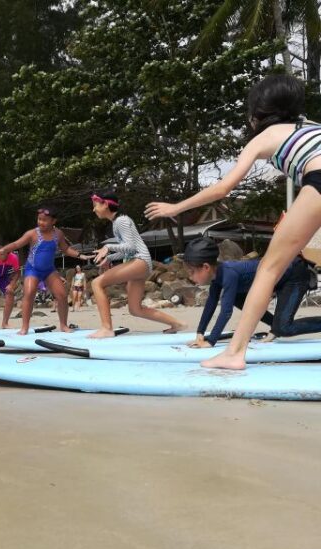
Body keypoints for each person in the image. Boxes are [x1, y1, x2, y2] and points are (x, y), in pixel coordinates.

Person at [145, 74, 321, 369]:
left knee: (269, 268)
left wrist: (176, 207)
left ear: (259, 113)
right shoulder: (311, 126)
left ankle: (234, 353)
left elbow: (222, 189)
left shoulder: (264, 136)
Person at [183, 237, 321, 348]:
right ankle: (276, 326)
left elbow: (226, 312)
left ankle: (277, 327)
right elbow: (210, 305)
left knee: (284, 328)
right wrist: (200, 333)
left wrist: (211, 341)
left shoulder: (229, 274)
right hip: (279, 278)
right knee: (237, 298)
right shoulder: (217, 277)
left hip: (295, 273)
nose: (190, 277)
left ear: (206, 267)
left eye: (192, 272)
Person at [90, 191, 186, 338]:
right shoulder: (118, 222)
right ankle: (177, 324)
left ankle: (106, 328)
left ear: (106, 204)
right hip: (140, 262)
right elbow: (127, 250)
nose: (94, 209)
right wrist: (110, 258)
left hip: (139, 261)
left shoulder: (121, 221)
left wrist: (108, 247)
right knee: (135, 309)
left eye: (95, 205)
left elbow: (131, 247)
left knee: (97, 284)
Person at [0, 205, 91, 335]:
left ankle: (63, 325)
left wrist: (80, 255)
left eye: (44, 220)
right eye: (39, 219)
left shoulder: (58, 234)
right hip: (32, 269)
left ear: (53, 221)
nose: (41, 222)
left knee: (62, 295)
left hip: (49, 270)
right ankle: (25, 327)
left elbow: (66, 249)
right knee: (29, 293)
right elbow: (17, 244)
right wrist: (4, 249)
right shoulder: (32, 234)